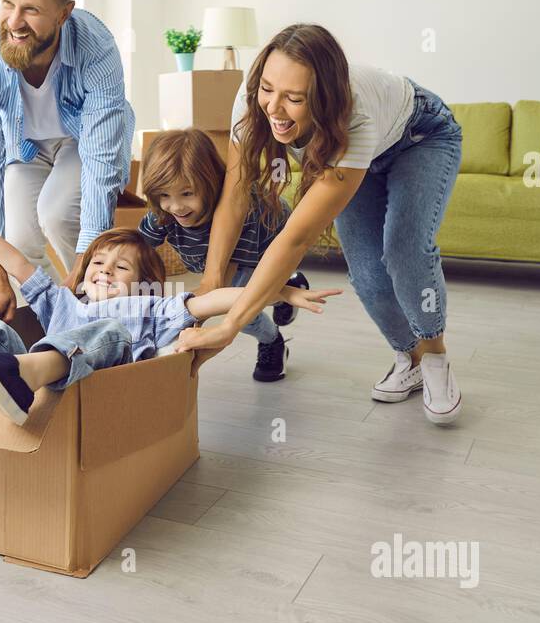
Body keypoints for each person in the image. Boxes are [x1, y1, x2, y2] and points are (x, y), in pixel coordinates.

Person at [0, 193, 341, 426]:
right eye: (98, 265)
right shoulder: (64, 301)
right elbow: (16, 262)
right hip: (25, 364)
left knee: (107, 334)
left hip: (95, 378)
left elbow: (212, 300)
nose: (104, 272)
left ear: (144, 283)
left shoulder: (152, 307)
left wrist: (277, 292)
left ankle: (25, 375)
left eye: (120, 269)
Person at [175, 23, 465, 424]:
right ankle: (409, 356)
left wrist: (230, 326)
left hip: (420, 137)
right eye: (268, 88)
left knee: (403, 250)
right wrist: (210, 285)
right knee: (366, 274)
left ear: (324, 101)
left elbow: (296, 239)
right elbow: (236, 194)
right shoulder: (251, 103)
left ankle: (434, 356)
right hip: (364, 148)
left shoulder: (354, 120)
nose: (274, 108)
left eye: (294, 98)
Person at [0, 0, 134, 322]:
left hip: (81, 140)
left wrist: (87, 262)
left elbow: (100, 161)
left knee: (57, 214)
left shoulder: (96, 48)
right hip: (24, 147)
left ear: (64, 13)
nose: (14, 21)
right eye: (7, 3)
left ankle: (106, 310)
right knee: (18, 240)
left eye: (31, 9)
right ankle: (61, 313)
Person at [136, 128, 309, 382]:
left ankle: (273, 340)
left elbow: (224, 280)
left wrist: (192, 320)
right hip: (215, 260)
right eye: (164, 195)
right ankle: (286, 289)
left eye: (187, 193)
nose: (176, 206)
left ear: (210, 184)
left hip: (265, 242)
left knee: (239, 307)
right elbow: (137, 250)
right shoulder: (162, 215)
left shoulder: (243, 212)